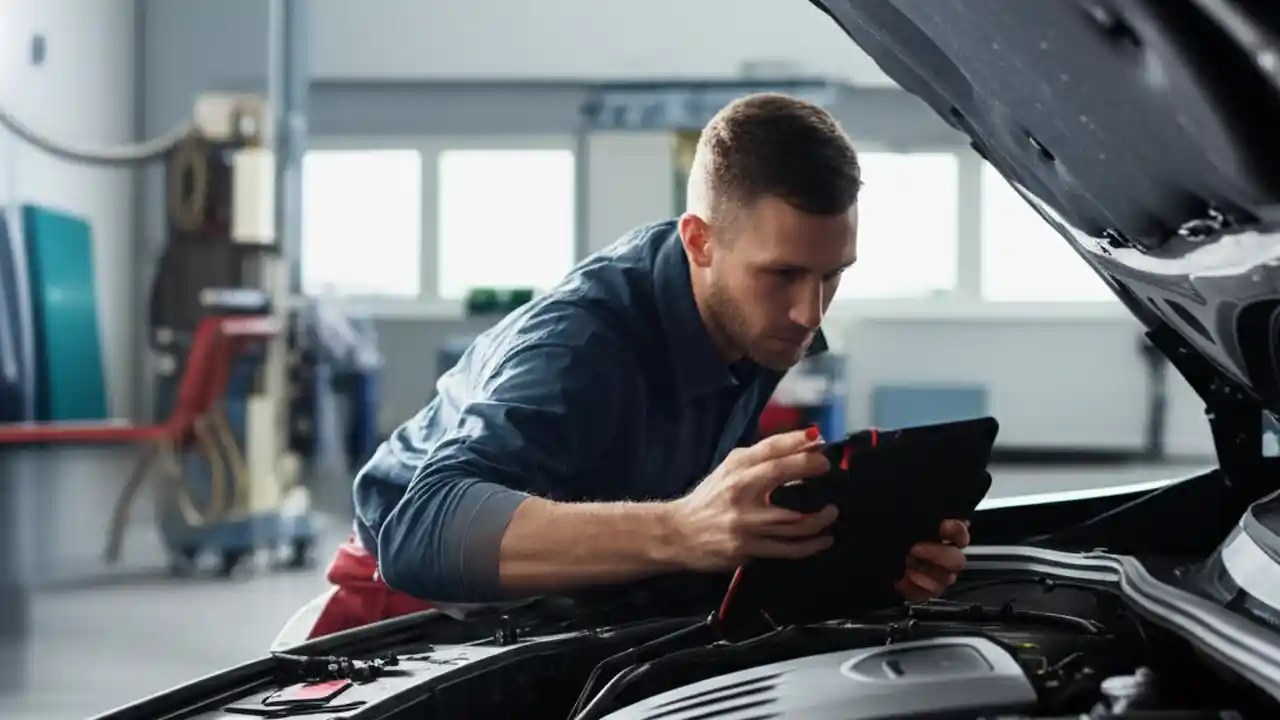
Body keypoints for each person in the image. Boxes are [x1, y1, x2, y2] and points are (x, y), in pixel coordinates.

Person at [302, 92, 970, 640]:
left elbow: (689, 514)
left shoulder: (758, 322)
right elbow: (421, 531)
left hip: (571, 597)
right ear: (699, 241)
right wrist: (682, 529)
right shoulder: (579, 348)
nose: (809, 312)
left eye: (832, 275)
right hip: (408, 616)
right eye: (784, 274)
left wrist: (875, 560)